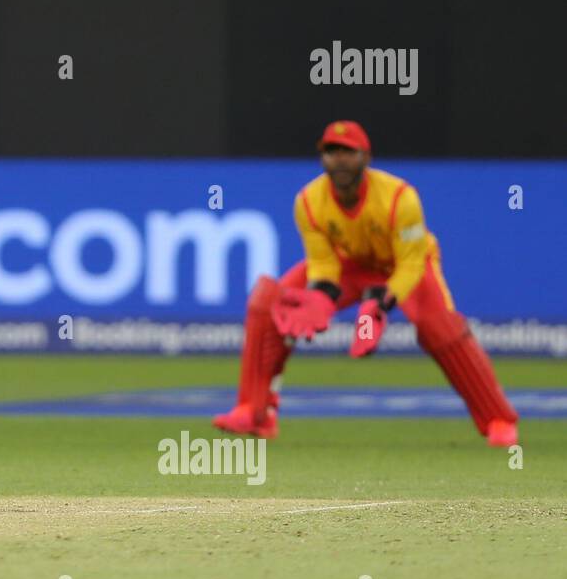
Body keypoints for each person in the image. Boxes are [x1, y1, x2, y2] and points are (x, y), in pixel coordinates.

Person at [212, 120, 519, 447]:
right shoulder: (308, 201)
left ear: (366, 157)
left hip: (404, 266)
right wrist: (319, 298)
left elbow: (412, 262)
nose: (340, 159)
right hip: (352, 265)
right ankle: (255, 411)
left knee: (439, 327)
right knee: (269, 301)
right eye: (332, 151)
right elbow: (324, 263)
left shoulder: (401, 197)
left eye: (348, 152)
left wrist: (380, 304)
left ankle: (498, 419)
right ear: (322, 158)